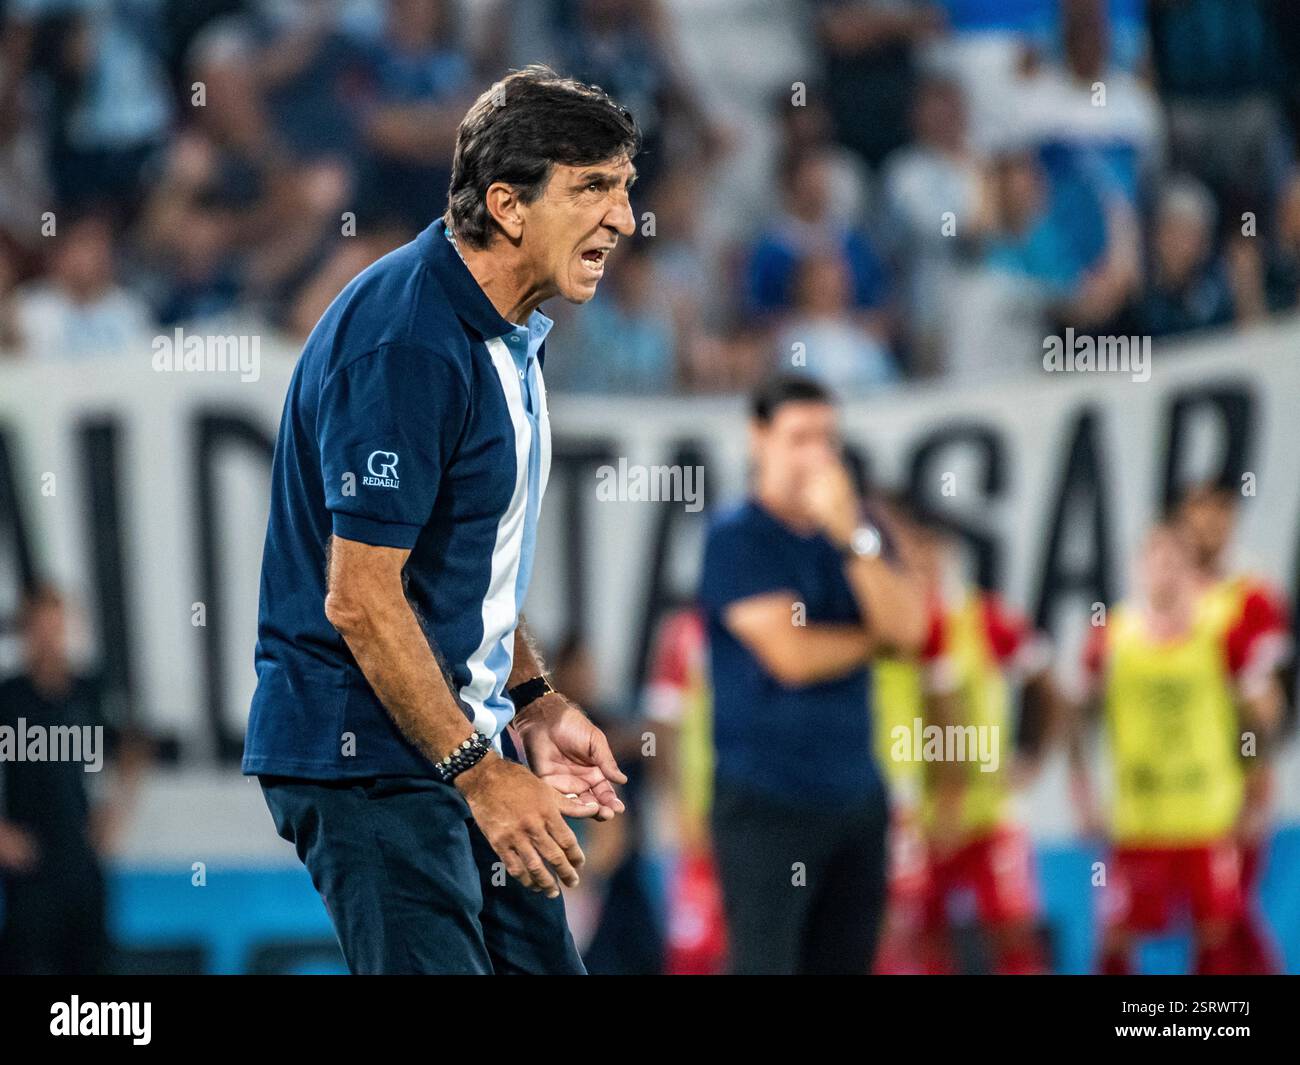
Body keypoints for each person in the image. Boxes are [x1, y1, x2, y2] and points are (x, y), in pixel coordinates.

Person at [241, 66, 638, 975]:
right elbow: (362, 597)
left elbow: (460, 576)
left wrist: (531, 703)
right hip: (372, 758)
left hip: (447, 742)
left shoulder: (505, 330)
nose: (622, 219)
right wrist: (479, 771)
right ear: (507, 204)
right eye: (592, 190)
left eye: (624, 190)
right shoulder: (409, 341)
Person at [697, 374, 927, 974]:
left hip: (857, 799)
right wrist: (874, 641)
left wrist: (851, 534)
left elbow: (910, 630)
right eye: (799, 437)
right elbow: (792, 658)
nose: (817, 455)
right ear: (758, 438)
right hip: (766, 805)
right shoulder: (736, 537)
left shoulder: (861, 528)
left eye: (827, 438)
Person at [1073, 524, 1284, 974]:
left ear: (1192, 571)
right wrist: (1082, 791)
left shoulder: (1222, 632)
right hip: (1138, 818)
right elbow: (1079, 714)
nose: (1163, 573)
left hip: (1208, 815)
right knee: (1117, 936)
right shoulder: (1112, 637)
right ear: (1138, 569)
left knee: (1217, 933)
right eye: (1154, 562)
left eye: (1174, 563)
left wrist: (1258, 782)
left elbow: (1257, 715)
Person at [1177, 484, 1292, 973]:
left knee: (1227, 909)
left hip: (1234, 776)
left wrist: (1254, 772)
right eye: (1198, 513)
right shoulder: (1165, 598)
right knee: (1209, 913)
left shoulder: (1251, 597)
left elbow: (1268, 700)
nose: (1207, 525)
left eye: (1218, 514)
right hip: (1175, 782)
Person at [0, 585, 144, 975]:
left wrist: (116, 809)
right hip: (27, 869)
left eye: (56, 627)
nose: (49, 639)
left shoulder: (87, 692)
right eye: (39, 629)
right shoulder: (9, 697)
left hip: (81, 861)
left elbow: (131, 747)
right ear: (25, 633)